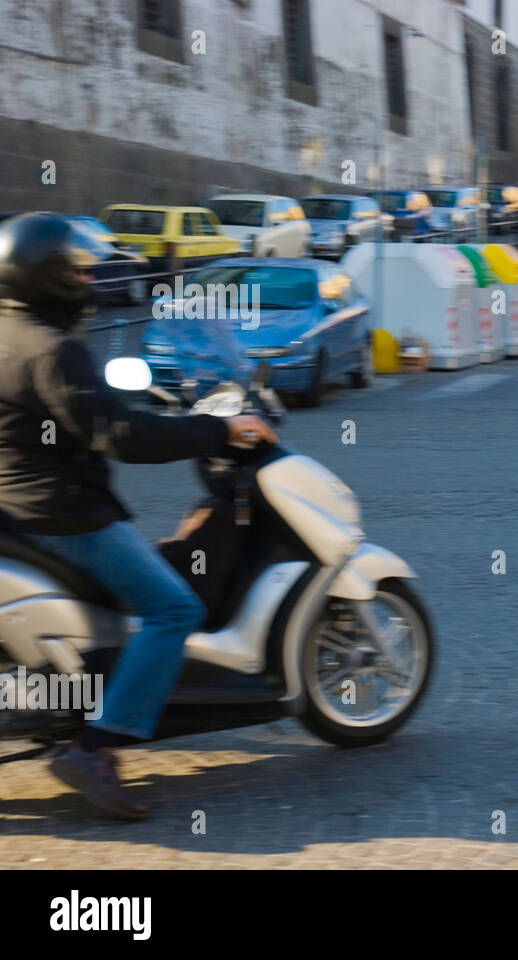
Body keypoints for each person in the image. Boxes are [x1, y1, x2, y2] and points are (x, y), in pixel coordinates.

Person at [0, 212, 278, 819]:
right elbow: (118, 435)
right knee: (173, 605)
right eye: (76, 266)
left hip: (16, 506)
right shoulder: (53, 348)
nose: (89, 272)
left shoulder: (9, 332)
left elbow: (83, 412)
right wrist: (218, 429)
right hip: (64, 515)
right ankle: (98, 748)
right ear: (48, 276)